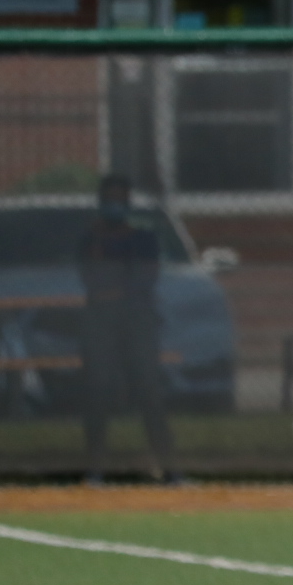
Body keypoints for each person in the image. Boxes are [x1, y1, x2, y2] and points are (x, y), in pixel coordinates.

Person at [77, 175, 176, 483]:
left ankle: (169, 468)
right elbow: (91, 281)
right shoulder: (89, 240)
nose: (115, 206)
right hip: (101, 322)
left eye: (121, 200)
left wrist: (119, 291)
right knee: (98, 389)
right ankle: (95, 468)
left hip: (137, 321)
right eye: (110, 199)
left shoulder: (144, 239)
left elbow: (145, 279)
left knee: (149, 391)